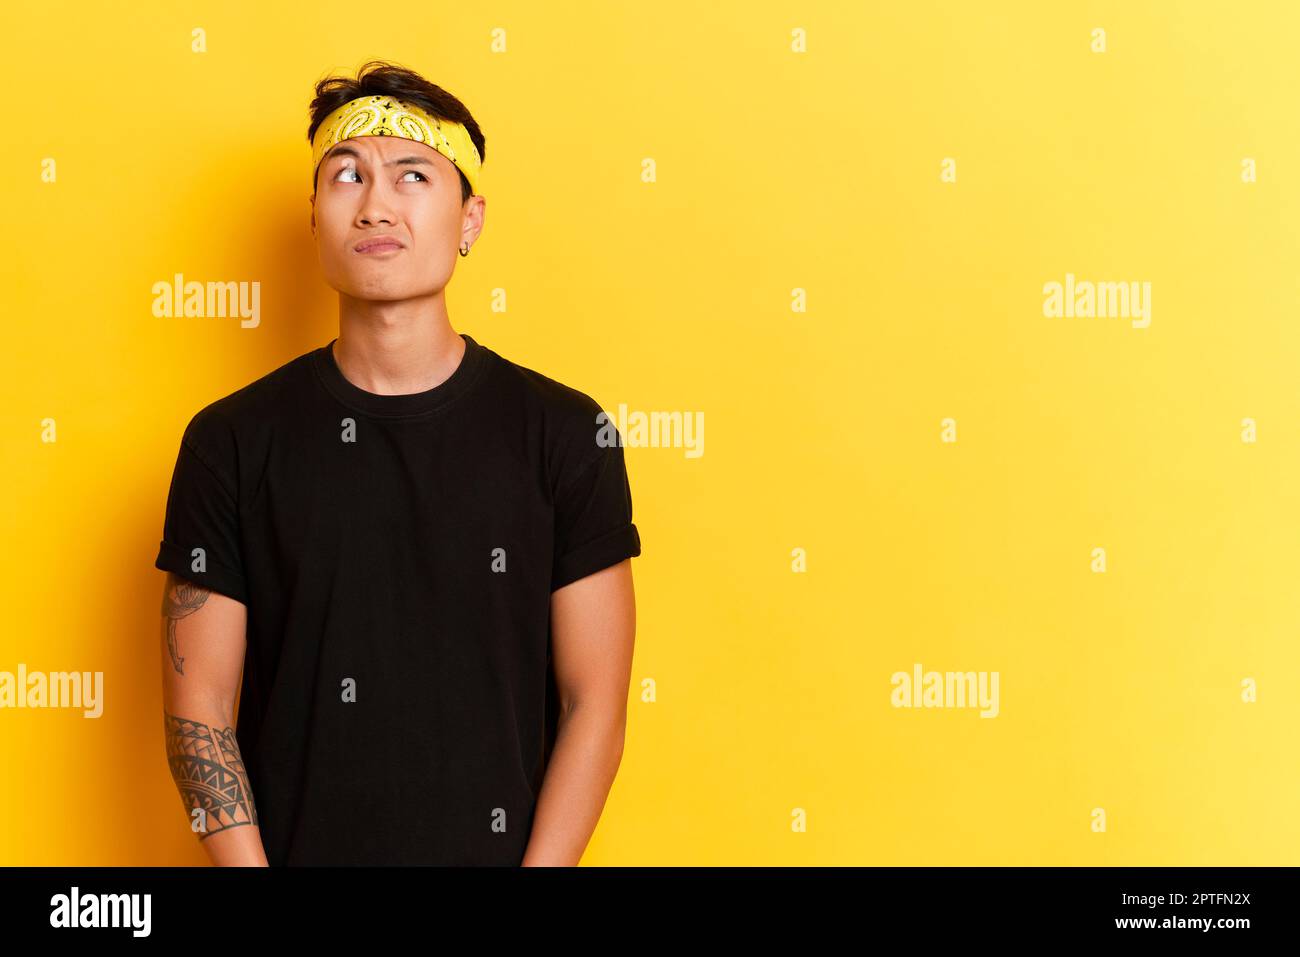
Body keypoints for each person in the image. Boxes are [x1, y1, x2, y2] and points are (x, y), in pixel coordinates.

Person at [155, 59, 641, 866]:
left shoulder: (564, 432)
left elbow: (596, 700)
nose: (376, 204)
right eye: (347, 175)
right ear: (314, 214)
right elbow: (198, 708)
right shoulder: (231, 441)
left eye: (412, 175)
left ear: (470, 219)